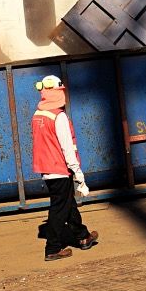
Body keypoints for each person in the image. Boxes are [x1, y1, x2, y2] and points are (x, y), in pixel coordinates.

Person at [31, 74, 98, 261]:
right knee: (59, 209)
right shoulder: (58, 117)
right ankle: (52, 248)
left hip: (46, 168)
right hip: (59, 168)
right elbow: (68, 149)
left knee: (68, 205)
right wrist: (79, 175)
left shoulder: (38, 115)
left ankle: (83, 237)